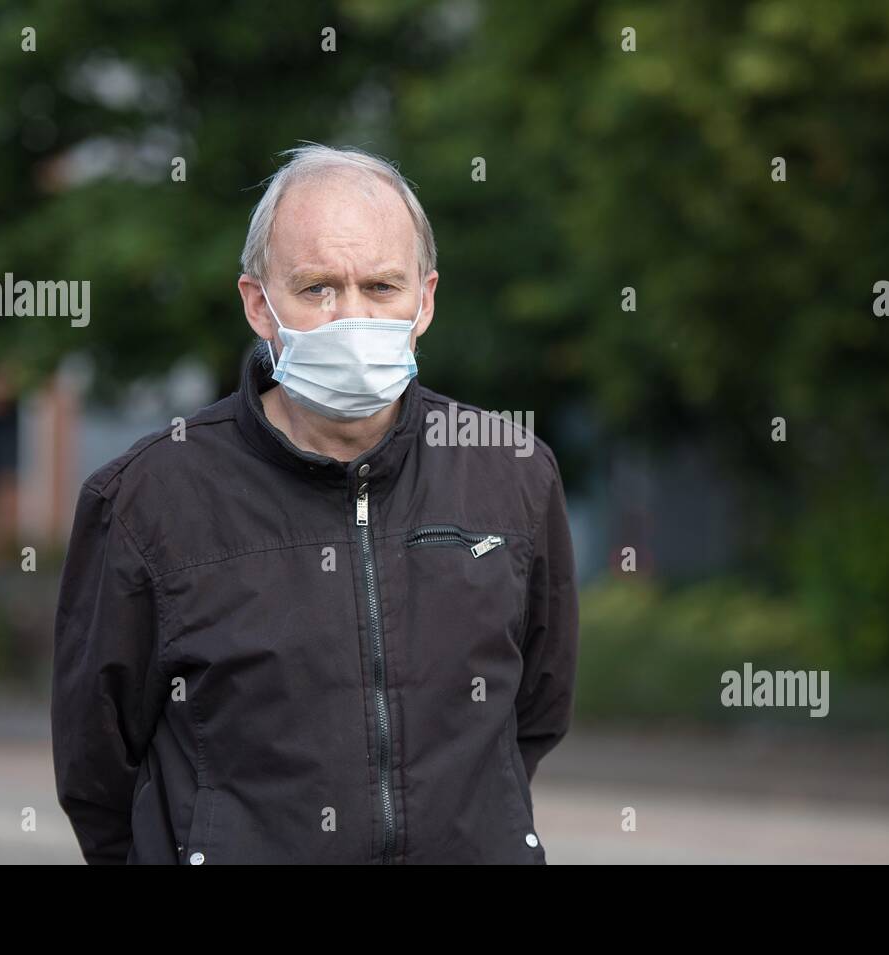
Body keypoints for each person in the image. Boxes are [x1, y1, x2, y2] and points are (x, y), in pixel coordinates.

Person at [50, 143, 579, 864]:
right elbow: (97, 769)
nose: (351, 318)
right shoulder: (149, 500)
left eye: (382, 287)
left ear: (424, 299)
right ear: (259, 304)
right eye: (318, 288)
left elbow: (534, 716)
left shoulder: (512, 473)